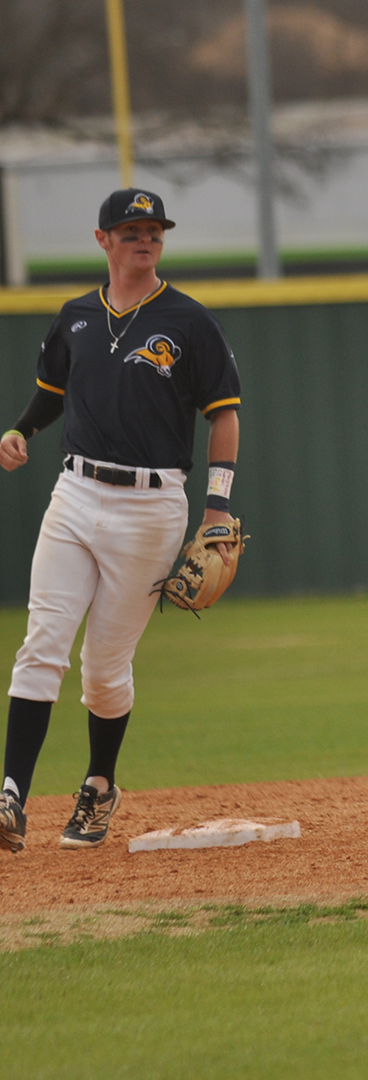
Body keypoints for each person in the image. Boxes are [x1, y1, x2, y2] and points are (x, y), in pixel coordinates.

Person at [0, 189, 242, 853]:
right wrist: (22, 429)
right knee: (41, 645)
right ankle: (10, 798)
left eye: (154, 229)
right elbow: (52, 392)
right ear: (103, 240)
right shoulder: (77, 317)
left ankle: (99, 784)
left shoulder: (188, 321)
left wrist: (217, 506)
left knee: (104, 668)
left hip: (151, 505)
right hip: (74, 494)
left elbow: (224, 413)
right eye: (131, 229)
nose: (145, 238)